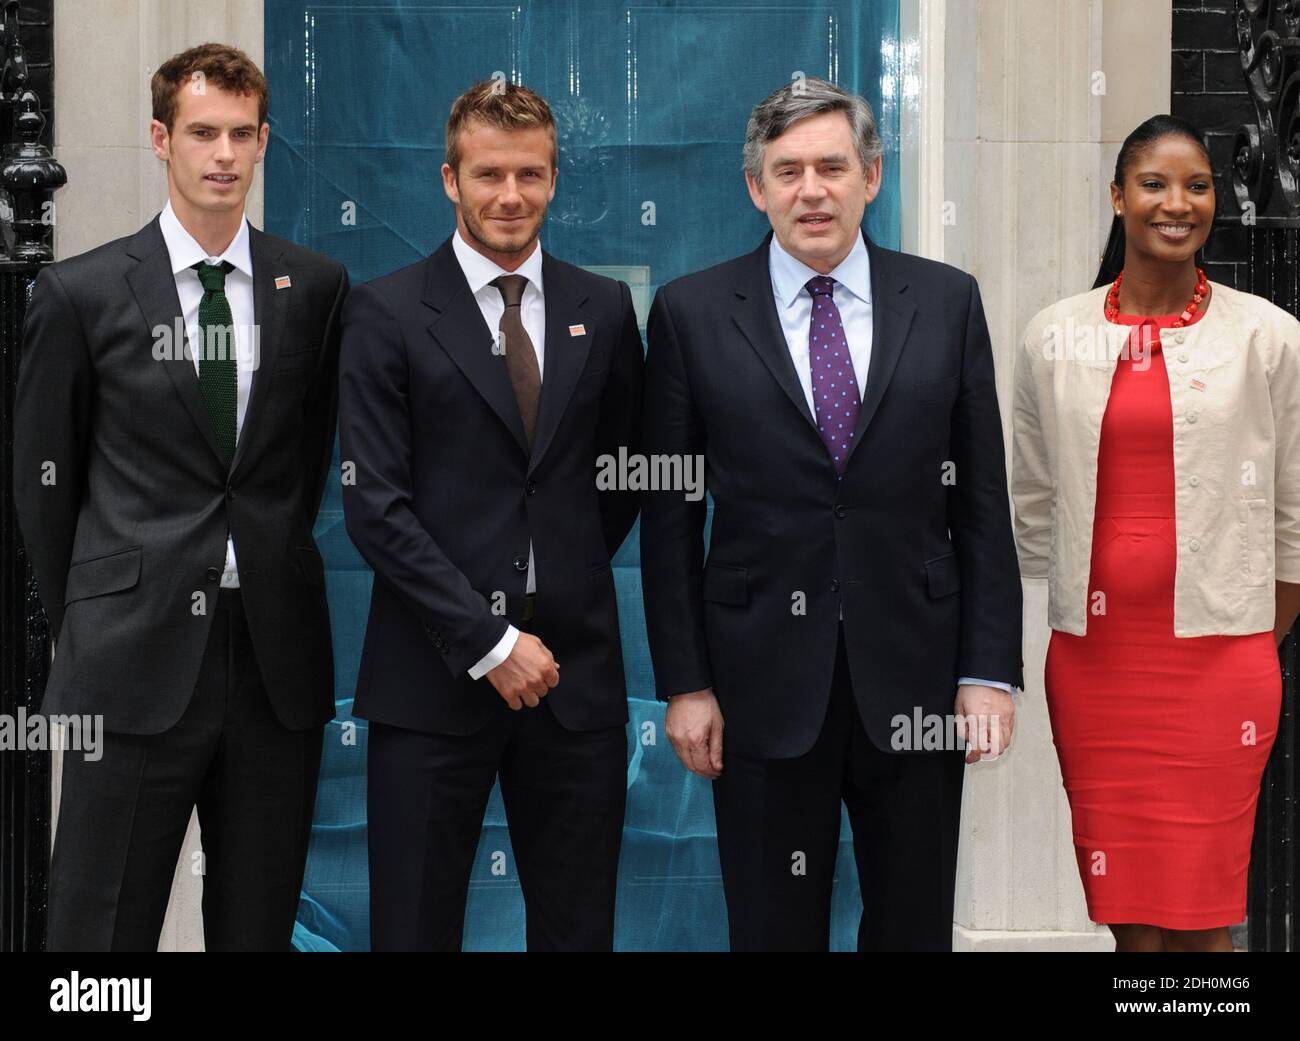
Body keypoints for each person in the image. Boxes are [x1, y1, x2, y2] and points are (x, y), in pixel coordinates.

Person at [640, 77, 1023, 951]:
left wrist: (987, 671)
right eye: (787, 171)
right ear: (755, 188)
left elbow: (982, 500)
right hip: (757, 685)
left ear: (872, 175)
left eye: (831, 167)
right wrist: (686, 683)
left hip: (919, 679)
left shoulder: (948, 299)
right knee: (774, 926)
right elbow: (669, 516)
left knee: (913, 923)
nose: (811, 190)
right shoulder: (691, 313)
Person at [13, 43, 349, 950]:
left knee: (255, 923)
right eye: (203, 132)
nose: (224, 155)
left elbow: (303, 461)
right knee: (99, 927)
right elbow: (44, 484)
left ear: (265, 140)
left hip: (273, 657)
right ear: (162, 138)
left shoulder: (314, 287)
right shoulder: (79, 292)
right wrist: (105, 594)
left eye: (243, 134)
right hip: (130, 658)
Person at [339, 80, 643, 951]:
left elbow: (618, 478)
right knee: (414, 928)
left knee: (577, 928)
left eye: (531, 175)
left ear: (553, 179)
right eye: (488, 175)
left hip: (574, 682)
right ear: (449, 179)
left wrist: (556, 577)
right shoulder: (384, 311)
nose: (510, 196)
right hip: (433, 679)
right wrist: (491, 639)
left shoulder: (603, 309)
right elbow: (375, 505)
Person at [1011, 114, 1299, 953]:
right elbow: (1032, 500)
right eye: (1154, 183)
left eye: (1198, 185)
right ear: (1117, 198)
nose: (1178, 203)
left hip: (1221, 665)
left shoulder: (1269, 338)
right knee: (1130, 921)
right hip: (1097, 664)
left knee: (1206, 916)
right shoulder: (1053, 335)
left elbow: (1293, 515)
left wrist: (1248, 635)